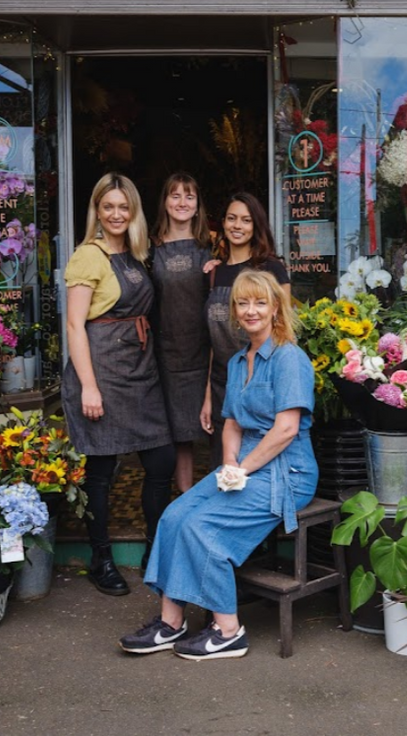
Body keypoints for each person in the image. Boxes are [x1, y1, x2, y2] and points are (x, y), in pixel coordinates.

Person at [120, 269, 317, 660]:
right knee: (175, 515)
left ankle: (228, 630)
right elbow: (231, 422)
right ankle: (170, 623)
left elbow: (286, 430)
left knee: (202, 526)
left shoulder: (288, 358)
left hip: (287, 474)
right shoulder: (237, 360)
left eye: (260, 302)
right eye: (242, 303)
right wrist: (229, 463)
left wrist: (242, 470)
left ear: (276, 307)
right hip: (244, 464)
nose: (251, 310)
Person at [61, 173, 176, 596]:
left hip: (140, 369)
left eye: (122, 207)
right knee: (102, 470)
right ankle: (101, 558)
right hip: (103, 369)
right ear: (96, 210)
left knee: (160, 461)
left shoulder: (133, 253)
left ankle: (153, 550)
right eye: (107, 207)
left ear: (133, 212)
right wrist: (89, 387)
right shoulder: (88, 256)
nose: (115, 214)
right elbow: (75, 326)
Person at [201, 192, 290, 470]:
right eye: (231, 218)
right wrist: (207, 398)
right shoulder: (213, 273)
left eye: (245, 220)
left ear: (256, 226)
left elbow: (284, 328)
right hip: (221, 386)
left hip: (261, 385)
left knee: (257, 466)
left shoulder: (271, 268)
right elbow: (212, 344)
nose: (237, 226)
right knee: (222, 466)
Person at [150, 172, 213, 492]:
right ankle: (186, 502)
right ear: (164, 202)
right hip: (166, 356)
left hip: (206, 353)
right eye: (175, 195)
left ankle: (221, 506)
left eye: (189, 196)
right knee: (180, 438)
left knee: (219, 431)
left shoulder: (212, 248)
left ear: (198, 204)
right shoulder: (149, 249)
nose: (182, 202)